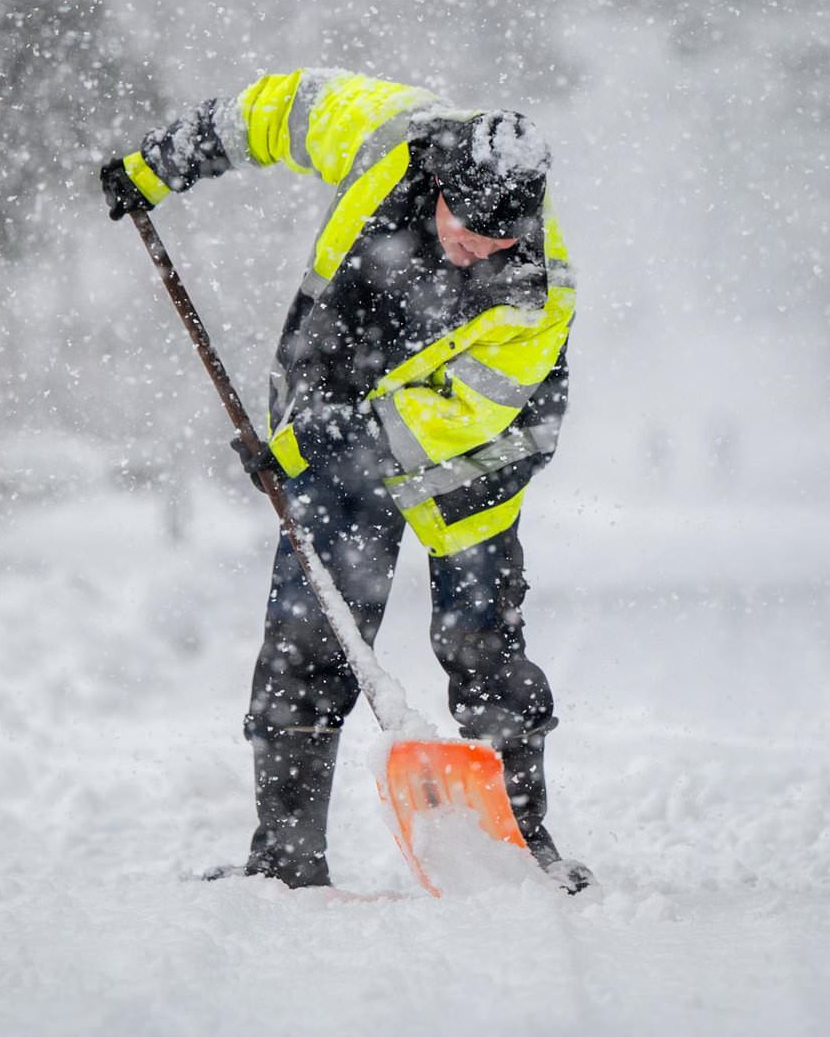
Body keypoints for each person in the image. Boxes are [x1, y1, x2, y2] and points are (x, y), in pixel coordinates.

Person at [100, 70, 590, 892]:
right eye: (466, 231)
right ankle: (285, 860)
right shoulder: (387, 136)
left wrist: (305, 448)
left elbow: (448, 422)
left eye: (497, 242)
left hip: (476, 464)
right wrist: (159, 164)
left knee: (482, 650)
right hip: (337, 423)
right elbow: (273, 110)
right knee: (305, 642)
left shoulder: (535, 292)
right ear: (439, 182)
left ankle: (522, 846)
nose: (476, 250)